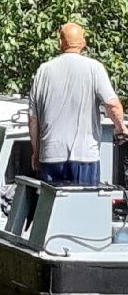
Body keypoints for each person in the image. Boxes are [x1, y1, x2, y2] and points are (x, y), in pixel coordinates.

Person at [28, 22, 126, 185]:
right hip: (85, 156)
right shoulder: (95, 68)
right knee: (83, 208)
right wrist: (121, 128)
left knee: (53, 209)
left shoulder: (43, 71)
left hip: (51, 156)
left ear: (61, 43)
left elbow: (33, 119)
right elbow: (113, 105)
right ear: (83, 43)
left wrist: (36, 153)